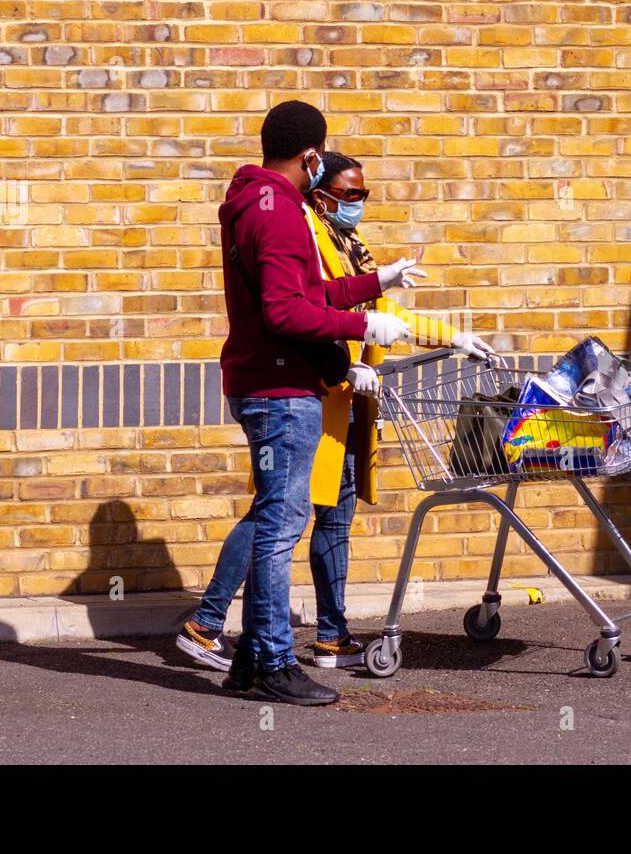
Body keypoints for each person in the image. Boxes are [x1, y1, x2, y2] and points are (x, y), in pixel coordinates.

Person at [177, 151, 495, 680]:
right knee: (278, 516)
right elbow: (308, 312)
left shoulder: (349, 245)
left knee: (330, 516)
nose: (359, 205)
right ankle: (213, 626)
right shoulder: (304, 231)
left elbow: (374, 313)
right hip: (318, 397)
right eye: (350, 195)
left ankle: (329, 632)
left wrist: (450, 334)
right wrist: (347, 364)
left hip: (341, 402)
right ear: (321, 191)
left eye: (364, 195)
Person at [199, 101, 411, 707]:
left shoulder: (254, 200)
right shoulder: (282, 212)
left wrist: (376, 283)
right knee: (280, 528)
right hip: (282, 389)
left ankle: (246, 660)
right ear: (312, 156)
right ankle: (272, 660)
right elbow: (286, 311)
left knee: (274, 521)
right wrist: (365, 327)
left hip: (259, 381)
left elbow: (307, 289)